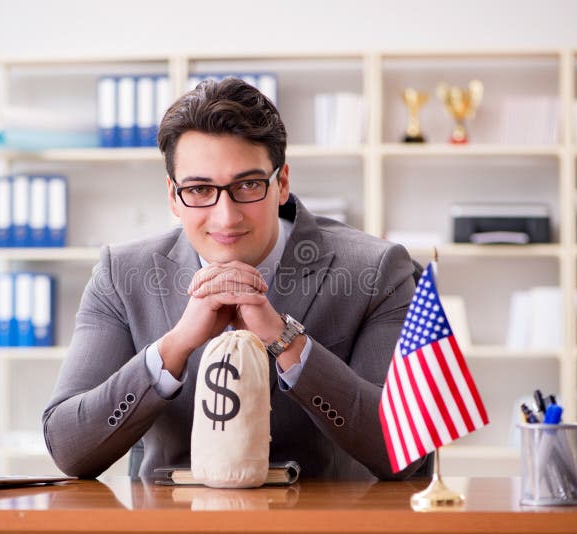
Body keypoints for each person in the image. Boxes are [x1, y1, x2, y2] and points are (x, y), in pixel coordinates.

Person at [42, 78, 422, 480]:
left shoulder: (375, 271)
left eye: (248, 185)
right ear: (173, 196)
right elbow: (69, 449)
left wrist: (285, 340)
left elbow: (401, 451)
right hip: (172, 512)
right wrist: (175, 346)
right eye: (199, 189)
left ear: (282, 183)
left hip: (320, 512)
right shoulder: (122, 276)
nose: (226, 216)